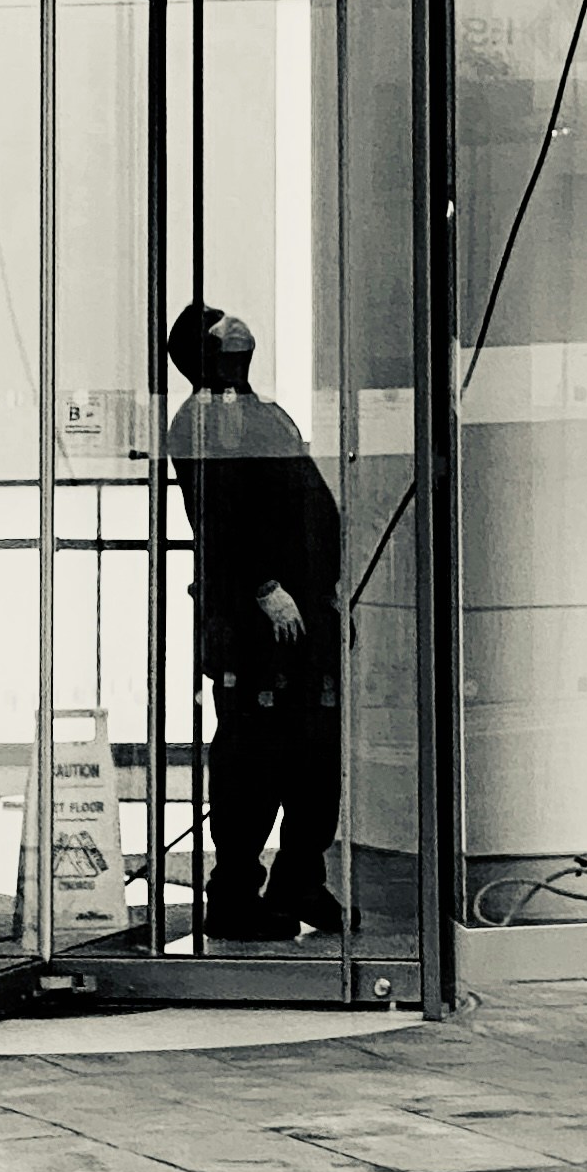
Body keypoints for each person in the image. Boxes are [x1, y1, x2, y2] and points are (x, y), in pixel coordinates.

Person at [164, 302, 343, 943]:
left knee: (316, 753)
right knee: (254, 756)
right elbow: (217, 519)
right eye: (222, 342)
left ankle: (299, 874)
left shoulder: (266, 416)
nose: (236, 342)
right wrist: (263, 585)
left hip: (309, 614)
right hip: (254, 618)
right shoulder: (200, 424)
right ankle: (234, 892)